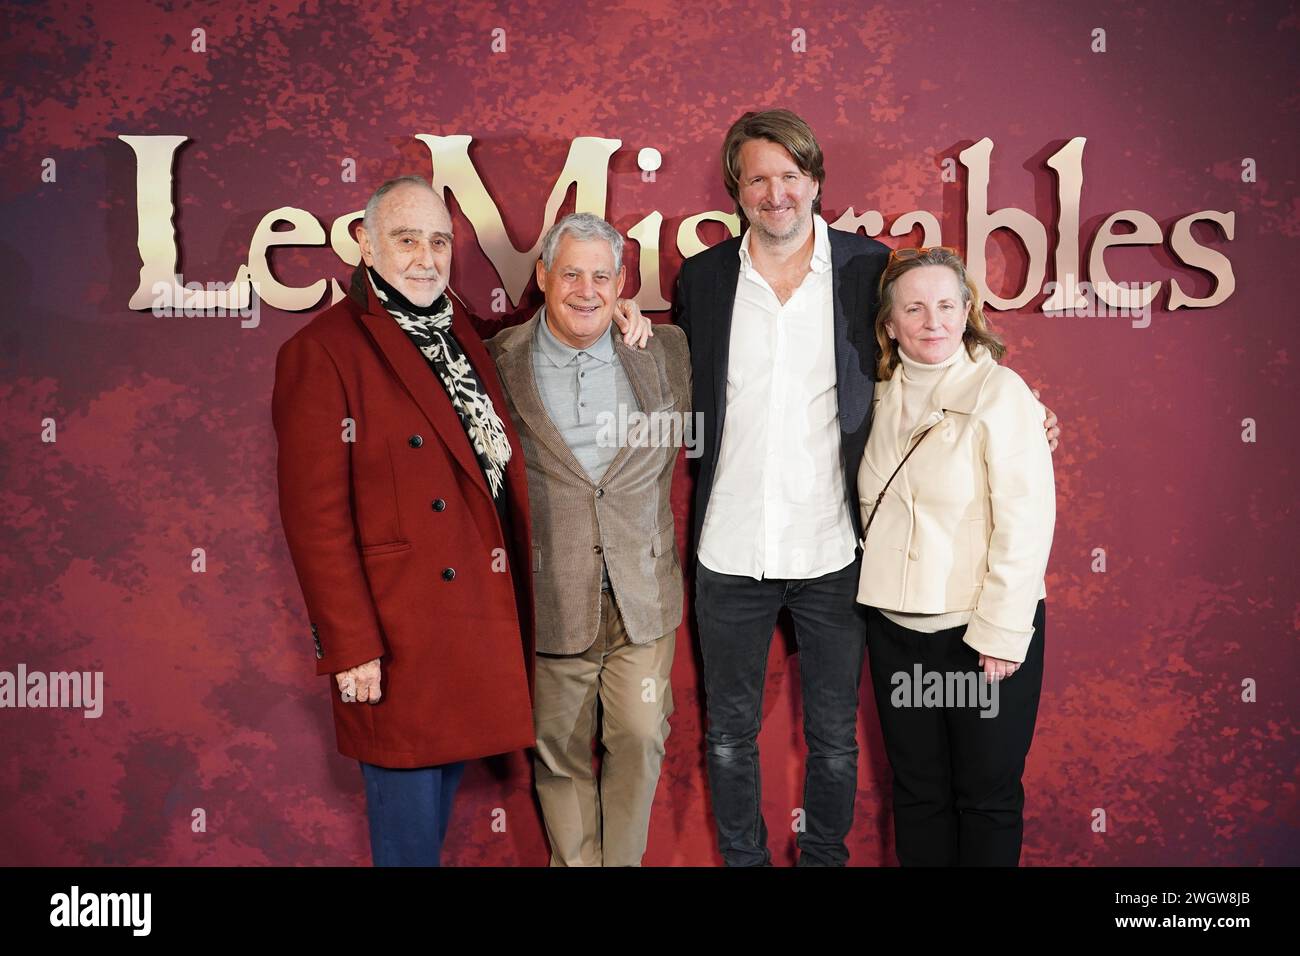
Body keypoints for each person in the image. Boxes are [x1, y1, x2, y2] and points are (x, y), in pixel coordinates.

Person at [673, 109, 1061, 866]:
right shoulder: (704, 280)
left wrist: (1018, 403)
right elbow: (677, 379)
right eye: (757, 178)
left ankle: (825, 861)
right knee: (727, 734)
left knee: (835, 740)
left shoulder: (862, 267)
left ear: (815, 182)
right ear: (736, 190)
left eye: (790, 176)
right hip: (729, 548)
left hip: (833, 552)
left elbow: (932, 334)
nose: (775, 192)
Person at [271, 176, 649, 866]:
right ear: (364, 243)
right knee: (408, 836)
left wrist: (604, 307)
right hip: (393, 636)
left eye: (438, 241)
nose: (425, 257)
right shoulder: (322, 351)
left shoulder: (457, 329)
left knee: (431, 816)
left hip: (467, 622)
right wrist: (351, 645)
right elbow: (314, 519)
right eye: (406, 239)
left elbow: (540, 325)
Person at [486, 213, 690, 866]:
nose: (585, 289)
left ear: (622, 283)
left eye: (602, 276)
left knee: (640, 734)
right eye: (569, 272)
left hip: (644, 593)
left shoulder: (666, 351)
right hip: (551, 593)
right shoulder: (497, 360)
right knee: (558, 749)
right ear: (541, 274)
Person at [857, 246, 1056, 866]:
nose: (932, 320)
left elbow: (1026, 522)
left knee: (986, 796)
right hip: (895, 630)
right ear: (889, 323)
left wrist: (1000, 630)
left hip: (979, 635)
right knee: (918, 795)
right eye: (913, 308)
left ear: (967, 312)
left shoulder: (1002, 392)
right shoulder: (871, 398)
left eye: (946, 305)